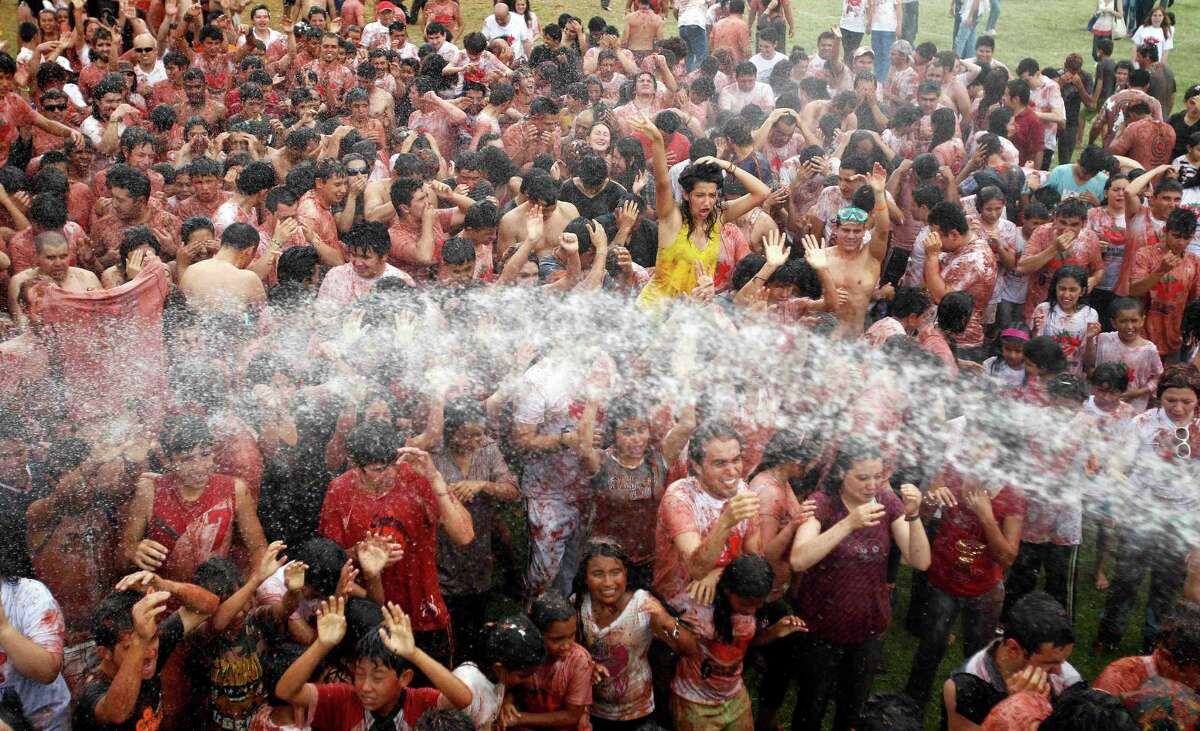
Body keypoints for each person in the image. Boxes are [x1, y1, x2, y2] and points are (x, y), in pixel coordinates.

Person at [789, 441, 929, 730]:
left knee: (852, 708)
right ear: (841, 473)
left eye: (878, 477)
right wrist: (848, 524)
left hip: (868, 624)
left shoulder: (887, 503)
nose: (872, 485)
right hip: (821, 624)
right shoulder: (823, 503)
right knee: (811, 704)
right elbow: (799, 560)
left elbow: (920, 561)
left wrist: (914, 516)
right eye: (863, 478)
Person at [320, 420, 474, 667]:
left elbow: (464, 534)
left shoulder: (418, 481)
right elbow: (330, 561)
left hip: (424, 615)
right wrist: (362, 554)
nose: (388, 474)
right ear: (355, 465)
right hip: (369, 618)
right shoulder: (339, 491)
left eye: (392, 465)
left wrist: (435, 479)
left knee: (429, 696)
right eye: (378, 469)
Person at [1096, 364, 1200, 652]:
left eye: (1186, 401)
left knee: (1166, 587)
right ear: (1159, 397)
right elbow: (1118, 464)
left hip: (1181, 519)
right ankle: (1109, 635)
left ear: (1198, 400)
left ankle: (1153, 643)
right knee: (1126, 579)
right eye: (1171, 400)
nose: (1178, 408)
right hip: (1140, 514)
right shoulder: (1143, 423)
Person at [631, 114, 770, 310]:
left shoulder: (718, 217)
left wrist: (724, 164)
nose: (707, 202)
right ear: (686, 194)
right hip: (654, 310)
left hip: (693, 311)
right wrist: (657, 141)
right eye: (700, 195)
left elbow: (762, 192)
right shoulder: (673, 217)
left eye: (712, 195)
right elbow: (662, 182)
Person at [274, 598, 474, 726]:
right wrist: (321, 644)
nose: (365, 687)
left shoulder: (420, 701)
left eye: (377, 677)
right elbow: (285, 691)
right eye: (360, 674)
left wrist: (414, 654)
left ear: (404, 678)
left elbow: (463, 699)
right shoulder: (343, 698)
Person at [575, 539, 697, 730]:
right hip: (593, 710)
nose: (608, 582)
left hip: (638, 713)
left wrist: (667, 621)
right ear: (585, 577)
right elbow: (567, 651)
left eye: (615, 572)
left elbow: (689, 649)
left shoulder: (642, 605)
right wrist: (588, 666)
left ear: (626, 573)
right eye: (598, 574)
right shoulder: (579, 604)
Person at [73, 575, 220, 730]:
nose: (150, 654)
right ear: (105, 653)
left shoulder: (150, 645)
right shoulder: (90, 690)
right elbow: (118, 713)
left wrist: (166, 586)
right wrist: (141, 639)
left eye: (153, 638)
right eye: (130, 648)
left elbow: (209, 606)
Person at [943, 591, 1081, 729]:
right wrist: (1014, 708)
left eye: (1063, 660)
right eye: (1050, 663)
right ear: (1013, 649)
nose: (1059, 671)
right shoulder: (966, 688)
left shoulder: (1069, 679)